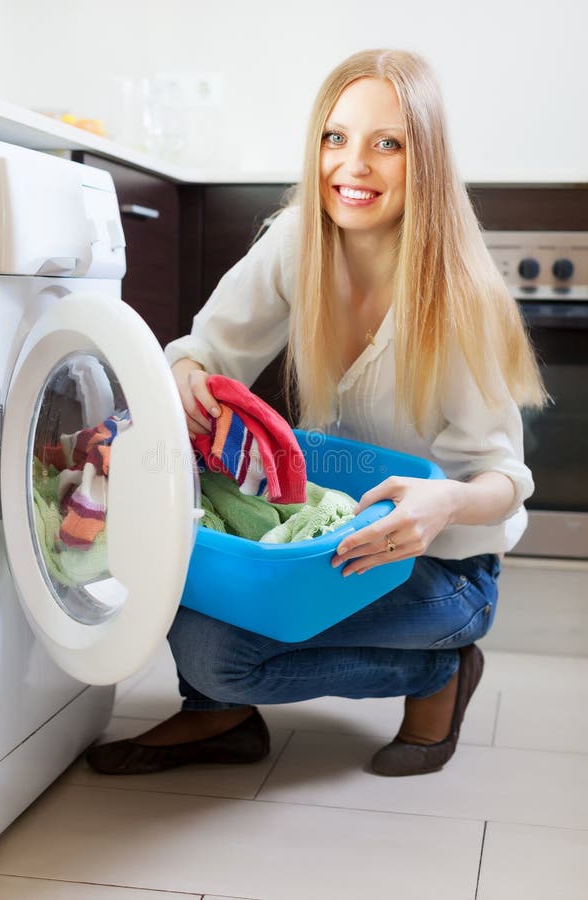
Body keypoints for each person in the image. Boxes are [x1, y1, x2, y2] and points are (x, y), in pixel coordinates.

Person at [87, 48, 545, 778]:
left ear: (424, 161)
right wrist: (189, 379)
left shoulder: (462, 299)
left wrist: (442, 504)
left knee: (219, 653)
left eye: (386, 143)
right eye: (336, 137)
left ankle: (439, 671)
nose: (352, 165)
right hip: (335, 529)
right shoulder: (299, 239)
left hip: (443, 566)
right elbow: (203, 351)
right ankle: (220, 717)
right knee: (179, 580)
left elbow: (504, 479)